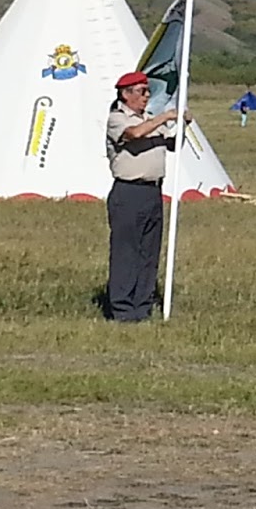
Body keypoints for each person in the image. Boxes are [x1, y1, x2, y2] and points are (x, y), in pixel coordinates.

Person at [104, 70, 181, 322]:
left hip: (153, 191)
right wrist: (163, 117)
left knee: (149, 252)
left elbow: (172, 144)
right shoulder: (118, 119)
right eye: (141, 91)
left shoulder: (149, 119)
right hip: (129, 191)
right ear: (126, 95)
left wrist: (182, 123)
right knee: (126, 251)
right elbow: (135, 134)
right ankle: (122, 308)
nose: (146, 97)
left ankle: (142, 305)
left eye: (148, 91)